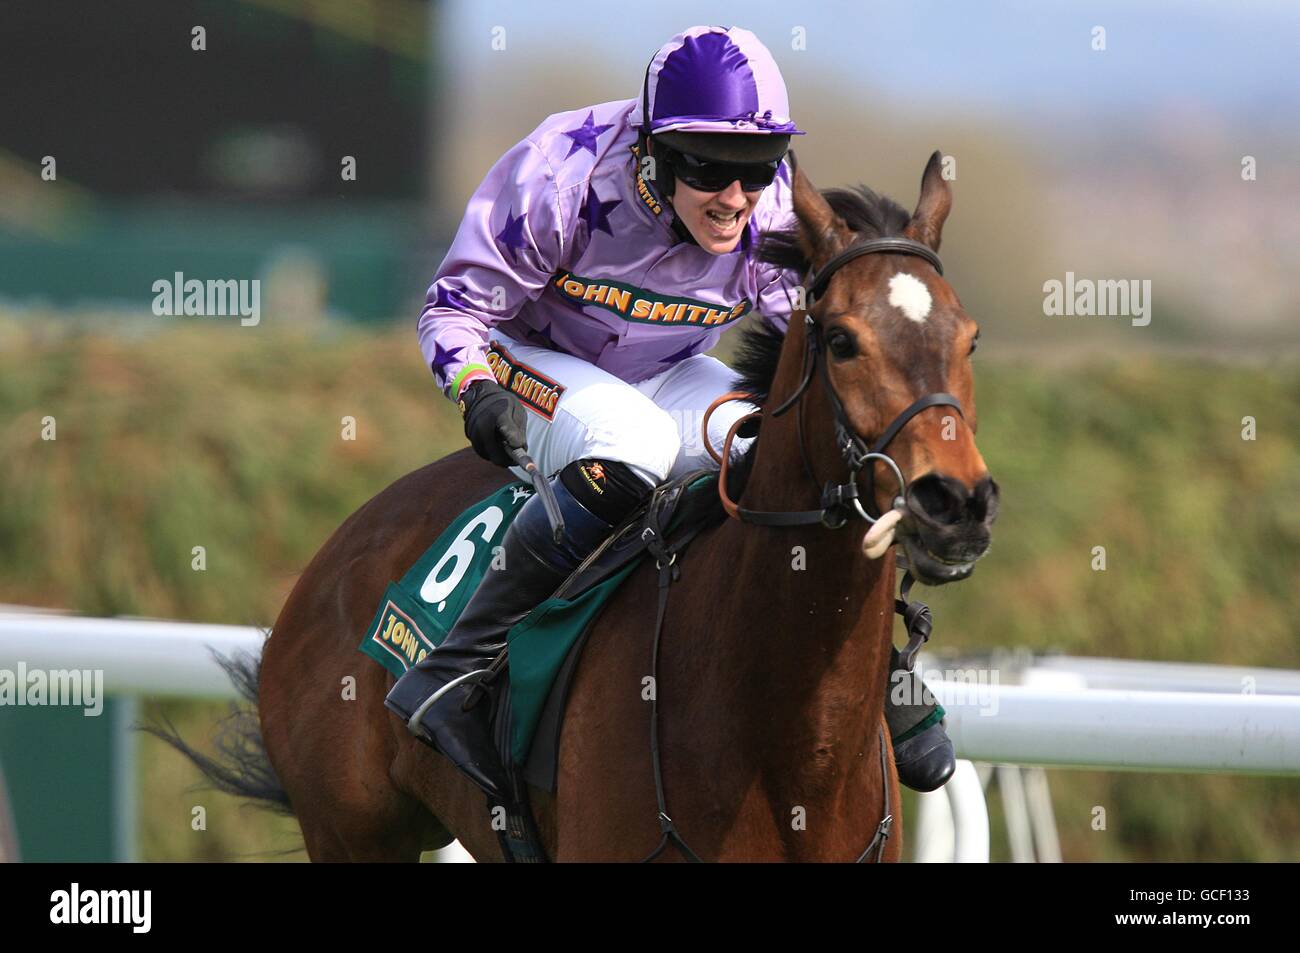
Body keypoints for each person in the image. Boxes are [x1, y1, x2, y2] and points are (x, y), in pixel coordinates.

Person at [385, 25, 954, 800]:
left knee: (781, 448)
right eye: (711, 169)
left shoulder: (773, 213)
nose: (735, 197)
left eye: (755, 170)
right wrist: (474, 388)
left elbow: (818, 353)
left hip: (664, 372)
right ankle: (453, 672)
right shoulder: (563, 175)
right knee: (635, 443)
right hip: (533, 356)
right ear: (654, 149)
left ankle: (885, 668)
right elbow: (453, 308)